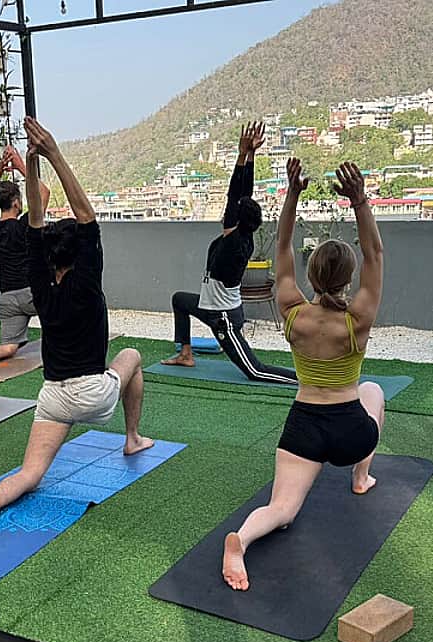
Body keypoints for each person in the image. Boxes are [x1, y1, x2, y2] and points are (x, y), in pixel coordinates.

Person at [0, 117, 153, 553]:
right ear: (78, 256)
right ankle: (133, 438)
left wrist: (32, 164)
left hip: (53, 394)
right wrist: (51, 153)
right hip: (94, 393)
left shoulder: (41, 283)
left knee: (29, 474)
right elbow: (86, 214)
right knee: (131, 355)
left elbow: (36, 222)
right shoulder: (86, 280)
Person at [222, 158, 387, 591]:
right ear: (347, 279)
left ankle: (243, 538)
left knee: (281, 508)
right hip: (351, 431)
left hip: (304, 428)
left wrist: (293, 193)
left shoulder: (293, 311)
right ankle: (360, 477)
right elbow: (376, 253)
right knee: (372, 391)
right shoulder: (358, 318)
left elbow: (281, 248)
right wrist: (359, 201)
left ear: (311, 275)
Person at [161, 121, 297, 384]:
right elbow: (243, 194)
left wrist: (242, 154)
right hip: (209, 306)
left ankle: (306, 381)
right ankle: (185, 353)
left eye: (231, 212)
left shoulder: (234, 244)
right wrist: (249, 154)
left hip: (223, 318)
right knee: (180, 299)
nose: (226, 212)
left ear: (236, 220)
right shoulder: (241, 234)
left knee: (255, 371)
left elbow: (235, 194)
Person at [0, 144, 51, 368]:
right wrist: (19, 164)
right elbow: (43, 192)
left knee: (8, 347)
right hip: (32, 292)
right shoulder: (27, 223)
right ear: (17, 202)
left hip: (8, 296)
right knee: (59, 321)